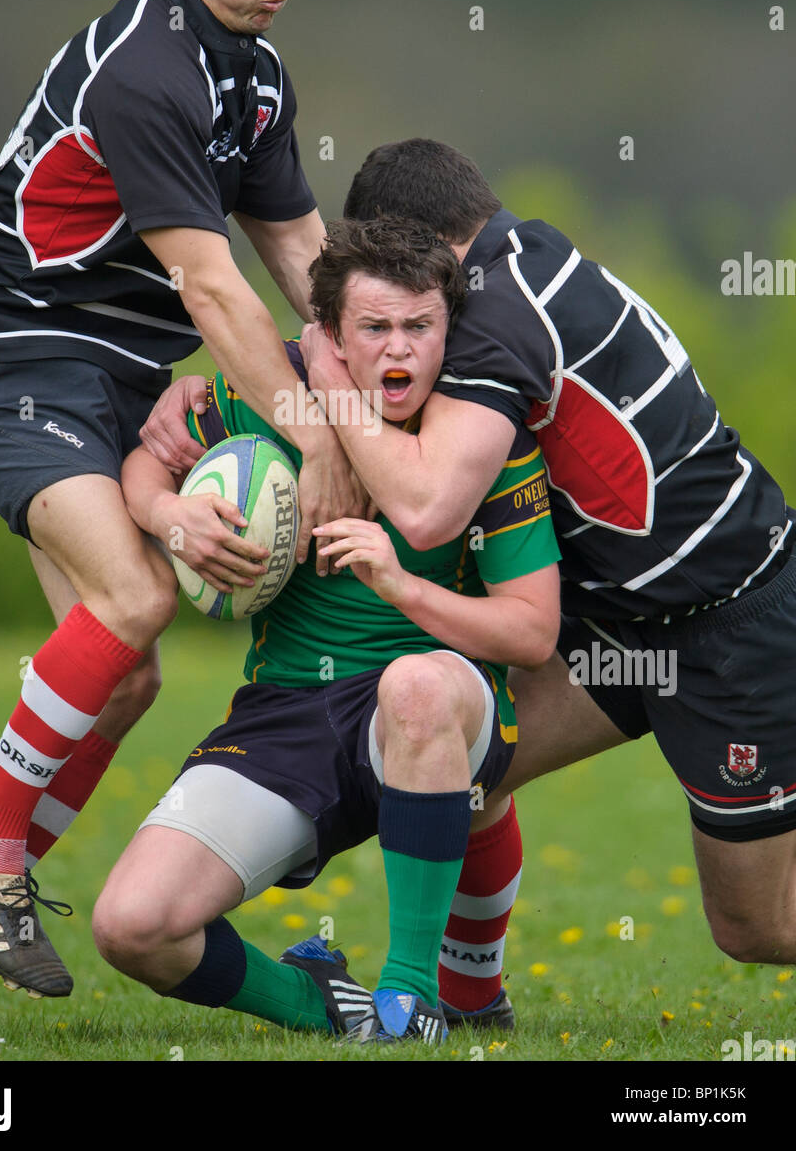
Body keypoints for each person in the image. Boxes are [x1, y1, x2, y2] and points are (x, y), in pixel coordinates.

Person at [0, 0, 360, 1038]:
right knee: (137, 598)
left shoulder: (254, 74)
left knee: (124, 673)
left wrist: (368, 373)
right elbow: (214, 291)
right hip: (13, 364)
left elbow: (298, 255)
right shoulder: (149, 73)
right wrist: (321, 437)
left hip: (113, 383)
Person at [294, 139, 796, 1007]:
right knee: (463, 755)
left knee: (760, 929)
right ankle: (467, 996)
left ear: (418, 248)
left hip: (734, 620)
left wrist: (329, 377)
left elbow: (425, 509)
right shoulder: (529, 252)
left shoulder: (495, 318)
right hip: (615, 618)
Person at [91, 216, 560, 1043]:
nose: (399, 352)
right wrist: (170, 515)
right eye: (373, 329)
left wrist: (400, 584)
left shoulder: (479, 435)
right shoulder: (259, 393)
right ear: (327, 337)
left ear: (450, 327)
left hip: (433, 708)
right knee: (131, 925)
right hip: (286, 712)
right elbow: (144, 462)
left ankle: (410, 1000)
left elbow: (529, 635)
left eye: (421, 327)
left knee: (413, 683)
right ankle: (324, 1006)